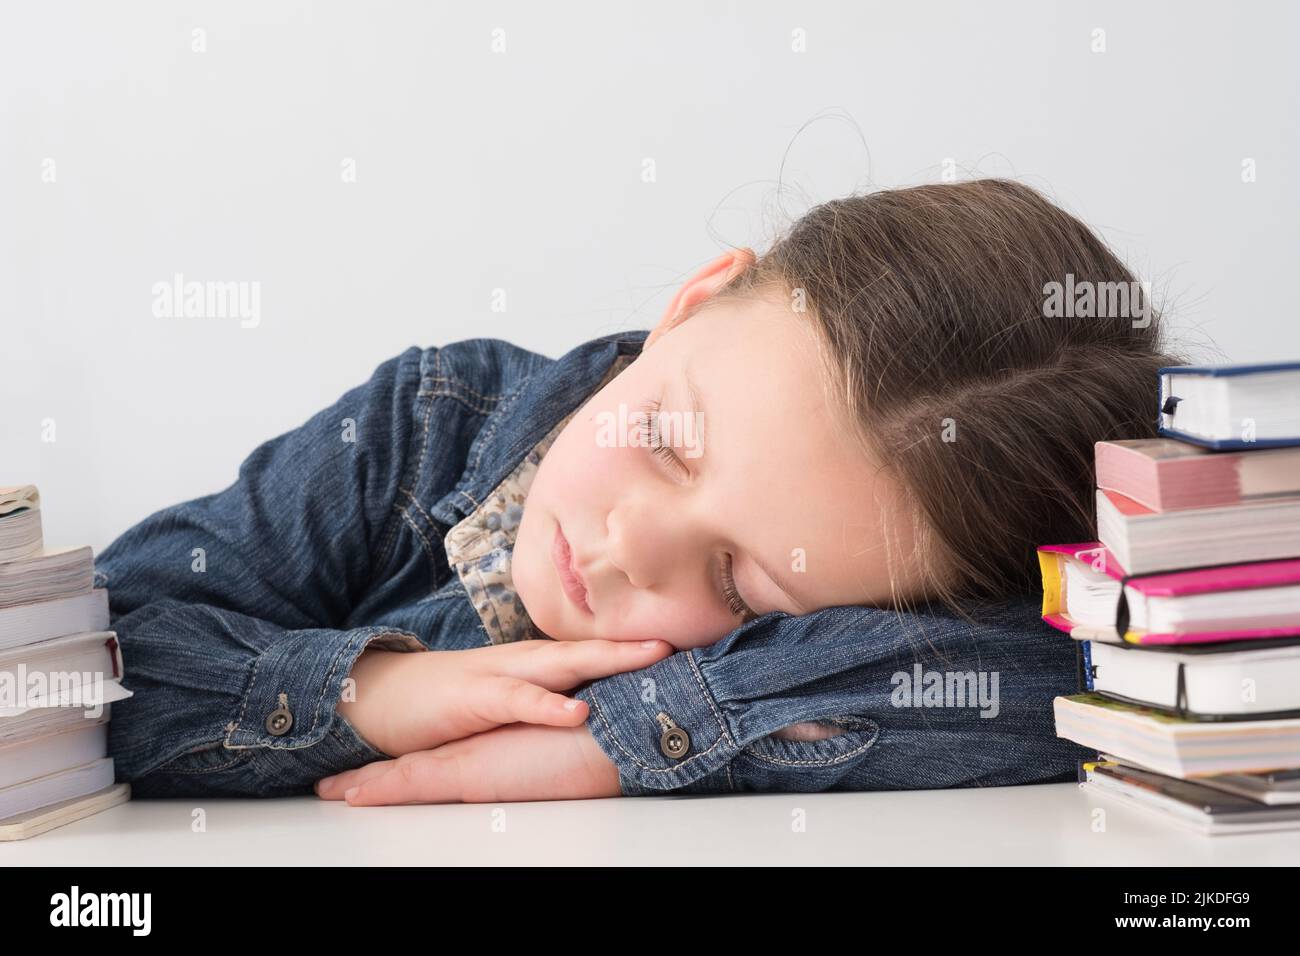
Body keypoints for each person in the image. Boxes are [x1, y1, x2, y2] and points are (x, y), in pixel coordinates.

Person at [96, 179, 1180, 804]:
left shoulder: (900, 607)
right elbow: (67, 668)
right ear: (693, 302)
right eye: (666, 438)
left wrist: (624, 733)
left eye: (738, 582)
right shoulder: (420, 427)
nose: (627, 546)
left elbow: (1097, 683)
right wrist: (365, 693)